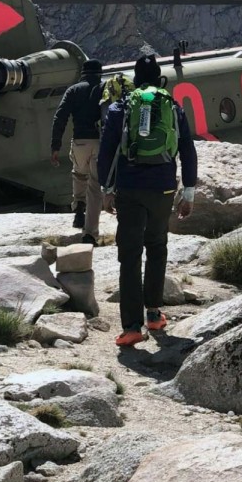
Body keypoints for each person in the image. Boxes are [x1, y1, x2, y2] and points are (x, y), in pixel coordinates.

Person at [97, 54, 197, 347]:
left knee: (129, 255)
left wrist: (106, 189)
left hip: (129, 188)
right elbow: (187, 150)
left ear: (136, 79)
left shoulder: (120, 108)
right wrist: (188, 192)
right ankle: (153, 314)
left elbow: (106, 152)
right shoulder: (173, 107)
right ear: (159, 79)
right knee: (157, 246)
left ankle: (132, 327)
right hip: (163, 188)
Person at [50, 58, 105, 243]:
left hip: (80, 142)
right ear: (100, 73)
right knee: (95, 186)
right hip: (101, 142)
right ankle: (90, 233)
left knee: (79, 174)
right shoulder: (106, 89)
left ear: (83, 73)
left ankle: (79, 205)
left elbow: (60, 117)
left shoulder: (73, 90)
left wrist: (55, 146)